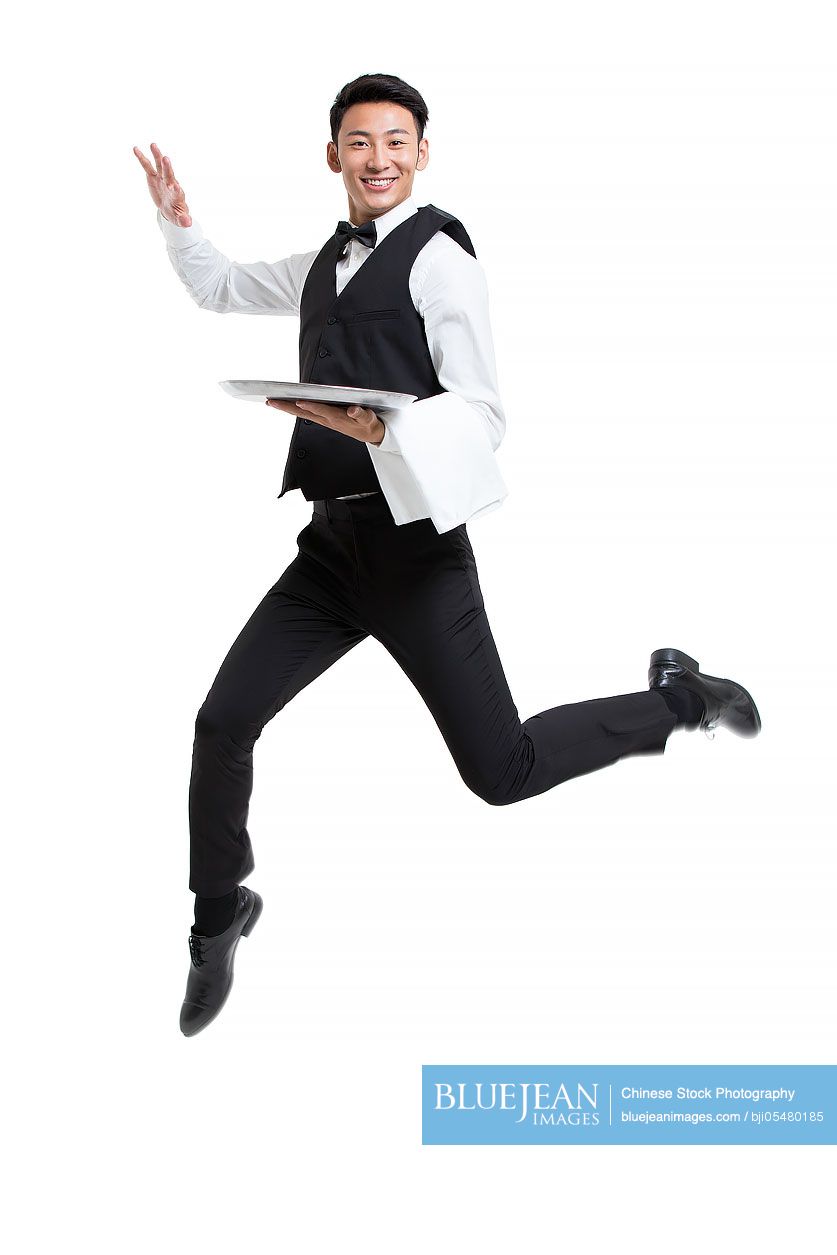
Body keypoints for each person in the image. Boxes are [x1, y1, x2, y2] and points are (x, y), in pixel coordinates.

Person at [133, 72, 761, 1039]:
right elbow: (218, 287)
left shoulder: (441, 262)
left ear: (422, 153)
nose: (376, 158)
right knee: (221, 721)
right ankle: (219, 914)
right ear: (332, 155)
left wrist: (378, 432)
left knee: (500, 770)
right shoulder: (322, 264)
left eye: (395, 141)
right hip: (330, 550)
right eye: (357, 142)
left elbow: (484, 413)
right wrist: (180, 223)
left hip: (416, 552)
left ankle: (683, 696)